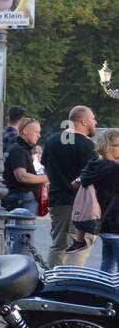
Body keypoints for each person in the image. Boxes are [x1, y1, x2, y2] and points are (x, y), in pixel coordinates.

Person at [43, 105, 98, 267]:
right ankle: (71, 283)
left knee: (58, 245)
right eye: (93, 119)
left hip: (57, 201)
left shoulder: (52, 140)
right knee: (81, 245)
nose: (95, 122)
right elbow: (93, 175)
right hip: (81, 204)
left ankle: (53, 280)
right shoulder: (88, 146)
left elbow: (46, 166)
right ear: (84, 121)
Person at [79, 128, 119, 273]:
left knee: (107, 265)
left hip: (103, 222)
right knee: (109, 264)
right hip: (115, 222)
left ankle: (103, 294)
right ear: (108, 146)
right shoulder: (114, 169)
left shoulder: (94, 164)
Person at [4, 118, 46, 212]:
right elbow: (22, 176)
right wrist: (46, 178)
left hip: (22, 199)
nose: (39, 135)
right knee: (23, 226)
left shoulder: (21, 149)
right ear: (25, 131)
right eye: (36, 132)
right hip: (22, 200)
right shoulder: (18, 150)